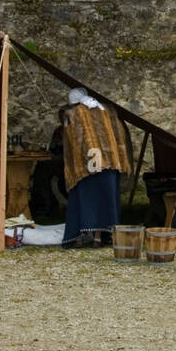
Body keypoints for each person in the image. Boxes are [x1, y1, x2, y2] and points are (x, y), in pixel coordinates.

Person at [61, 88, 131, 247]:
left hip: (87, 166)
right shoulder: (108, 110)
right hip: (110, 161)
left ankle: (87, 235)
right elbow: (120, 134)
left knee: (88, 200)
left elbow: (75, 141)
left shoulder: (74, 114)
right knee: (105, 201)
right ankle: (100, 237)